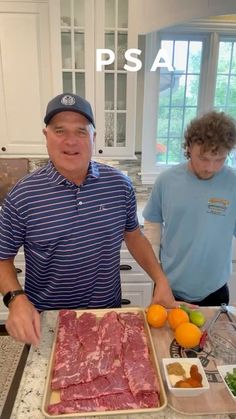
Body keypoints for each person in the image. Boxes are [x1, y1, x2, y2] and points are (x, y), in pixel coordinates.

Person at [0, 93, 179, 347]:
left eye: (81, 131)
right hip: (48, 323)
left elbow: (134, 236)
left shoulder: (119, 185)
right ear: (46, 135)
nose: (71, 141)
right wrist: (16, 298)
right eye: (60, 130)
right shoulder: (23, 195)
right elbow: (2, 257)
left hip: (105, 317)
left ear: (94, 137)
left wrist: (160, 280)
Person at [143, 110, 236, 307]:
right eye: (203, 158)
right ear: (189, 147)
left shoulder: (233, 183)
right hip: (169, 288)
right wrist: (158, 276)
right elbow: (152, 225)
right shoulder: (167, 181)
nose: (210, 167)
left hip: (215, 291)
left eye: (219, 159)